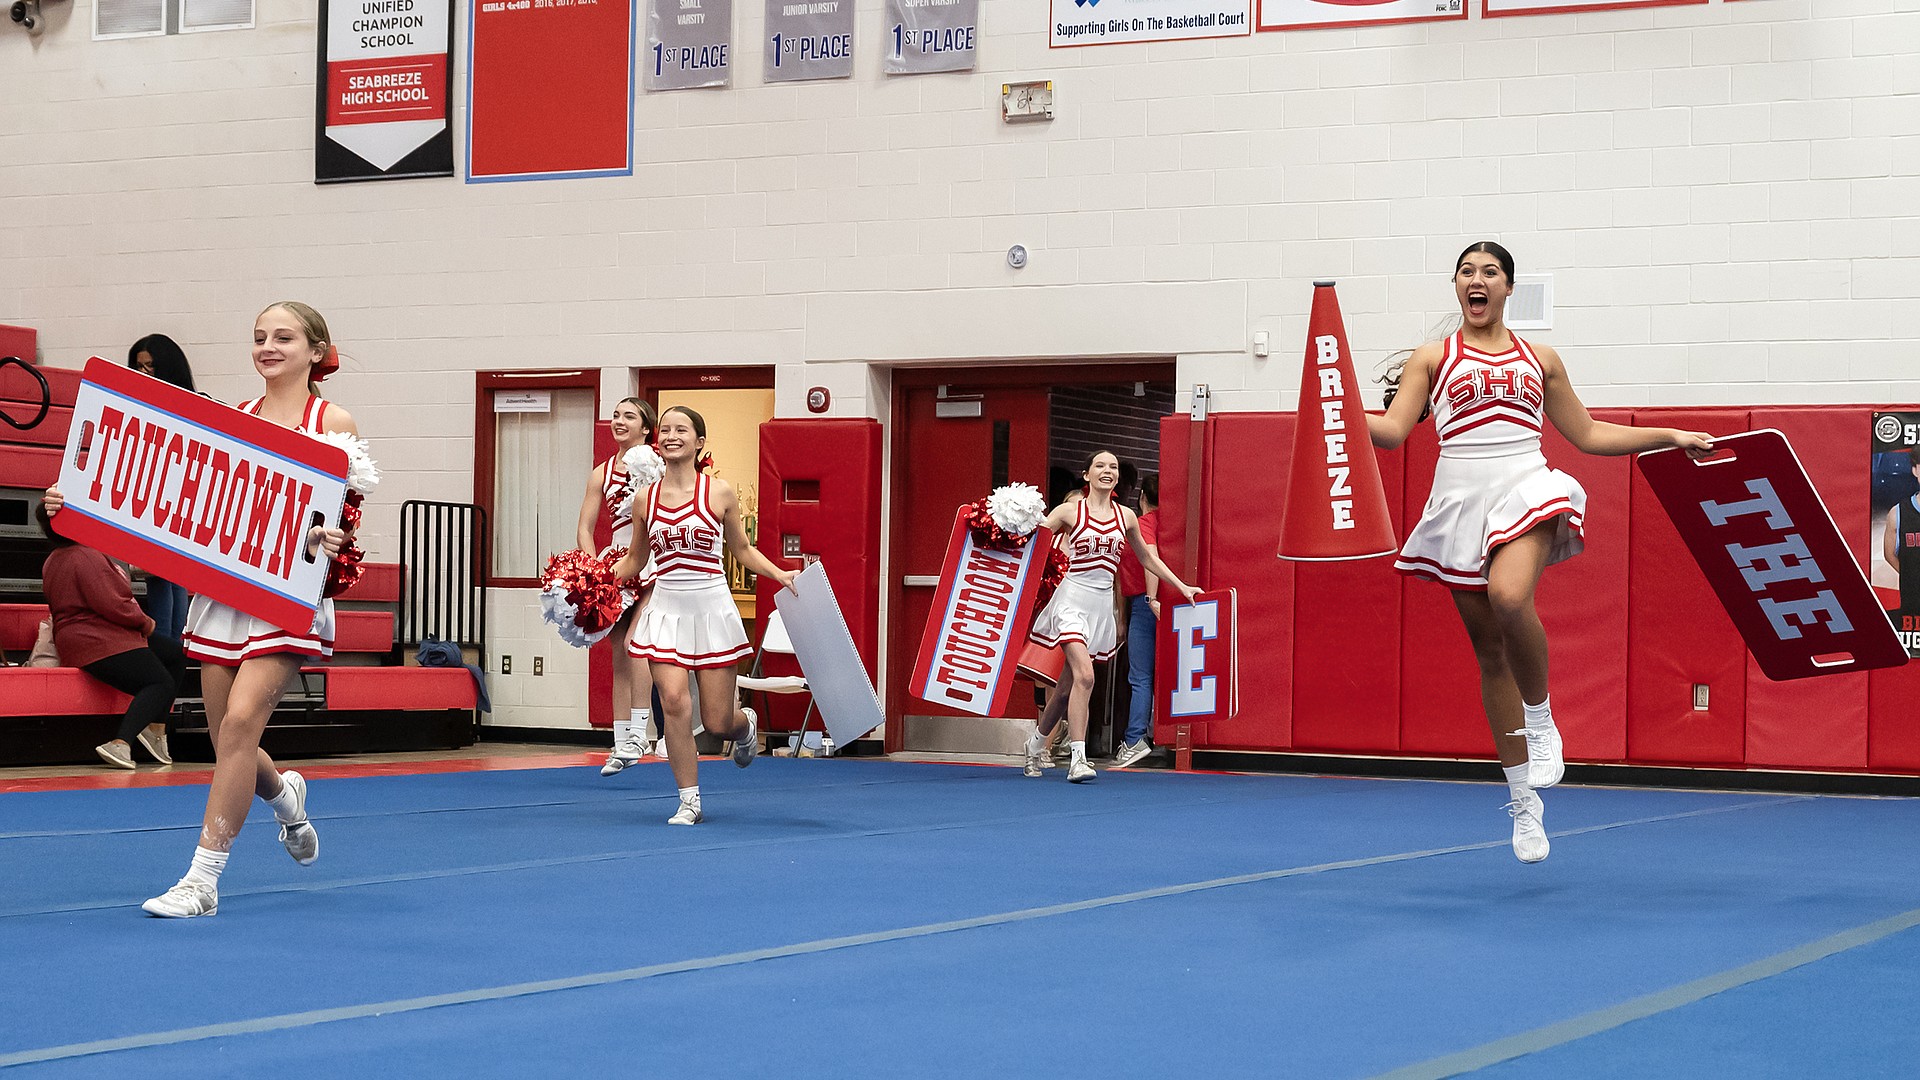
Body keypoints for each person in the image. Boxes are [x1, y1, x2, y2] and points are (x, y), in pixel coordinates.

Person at [1366, 241, 1713, 864]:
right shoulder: (1432, 357)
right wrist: (1330, 409)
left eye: (1490, 272)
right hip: (1458, 503)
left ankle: (1543, 713)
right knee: (1490, 654)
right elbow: (1392, 433)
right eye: (1467, 272)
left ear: (1508, 288)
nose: (1478, 281)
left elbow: (1586, 433)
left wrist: (1669, 435)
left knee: (1508, 595)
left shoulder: (1540, 357)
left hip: (1527, 486)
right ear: (1456, 286)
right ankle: (1525, 803)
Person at [51, 302, 360, 917]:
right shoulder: (230, 418)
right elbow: (169, 495)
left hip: (285, 599)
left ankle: (202, 879)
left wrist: (336, 539)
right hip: (223, 595)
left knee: (242, 725)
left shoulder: (332, 418)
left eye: (284, 337)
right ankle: (284, 793)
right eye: (259, 337)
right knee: (227, 741)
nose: (268, 346)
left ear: (315, 348)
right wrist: (80, 498)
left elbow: (344, 519)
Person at [612, 405, 796, 825]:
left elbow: (743, 550)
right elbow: (635, 560)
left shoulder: (719, 492)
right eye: (666, 429)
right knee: (673, 701)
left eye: (682, 429)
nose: (672, 435)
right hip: (666, 611)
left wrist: (779, 573)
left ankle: (743, 725)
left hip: (711, 609)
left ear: (699, 442)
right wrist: (586, 580)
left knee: (715, 720)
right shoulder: (645, 497)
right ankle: (688, 799)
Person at [1026, 452, 1199, 783]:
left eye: (1113, 467)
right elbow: (1032, 544)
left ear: (1118, 478)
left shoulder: (1127, 517)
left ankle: (1034, 745)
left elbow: (1147, 558)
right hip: (1070, 600)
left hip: (1100, 605)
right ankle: (1078, 758)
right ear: (1087, 474)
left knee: (1066, 688)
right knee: (1086, 677)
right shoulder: (1068, 511)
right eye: (1100, 466)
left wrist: (1181, 585)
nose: (1107, 471)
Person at [37, 504, 184, 770]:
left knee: (174, 655)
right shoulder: (86, 556)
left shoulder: (53, 559)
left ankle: (156, 727)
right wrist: (146, 623)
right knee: (159, 682)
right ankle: (120, 742)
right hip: (100, 640)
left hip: (85, 639)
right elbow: (114, 604)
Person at [576, 397, 663, 774]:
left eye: (629, 416)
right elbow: (584, 527)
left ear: (646, 429)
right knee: (617, 652)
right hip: (616, 561)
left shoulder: (657, 464)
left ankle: (641, 733)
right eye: (615, 415)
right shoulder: (601, 472)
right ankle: (620, 739)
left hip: (653, 561)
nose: (619, 421)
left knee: (635, 644)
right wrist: (593, 569)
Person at [127, 334, 198, 641]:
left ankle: (171, 644)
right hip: (150, 491)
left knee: (171, 575)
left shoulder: (190, 403)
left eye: (151, 366)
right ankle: (170, 644)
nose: (144, 373)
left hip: (177, 493)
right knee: (161, 575)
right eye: (139, 367)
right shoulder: (136, 401)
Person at [1111, 473, 1161, 769]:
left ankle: (1134, 740)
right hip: (1170, 603)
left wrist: (1148, 600)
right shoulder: (1171, 523)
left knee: (1140, 677)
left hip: (1144, 605)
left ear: (1141, 498)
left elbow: (1147, 561)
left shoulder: (1140, 526)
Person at [1882, 452, 1920, 616]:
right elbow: (1889, 555)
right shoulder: (1897, 513)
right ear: (1915, 470)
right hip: (1913, 611)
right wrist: (1911, 578)